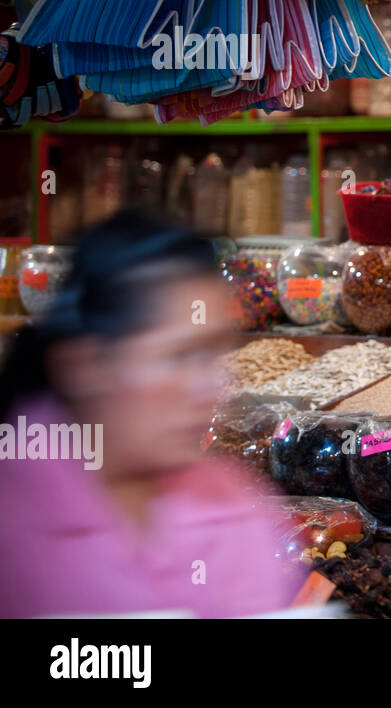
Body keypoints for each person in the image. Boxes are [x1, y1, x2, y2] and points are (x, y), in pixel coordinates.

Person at [0, 211, 298, 617]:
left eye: (214, 354)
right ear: (85, 366)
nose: (212, 386)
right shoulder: (15, 518)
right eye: (181, 356)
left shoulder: (234, 505)